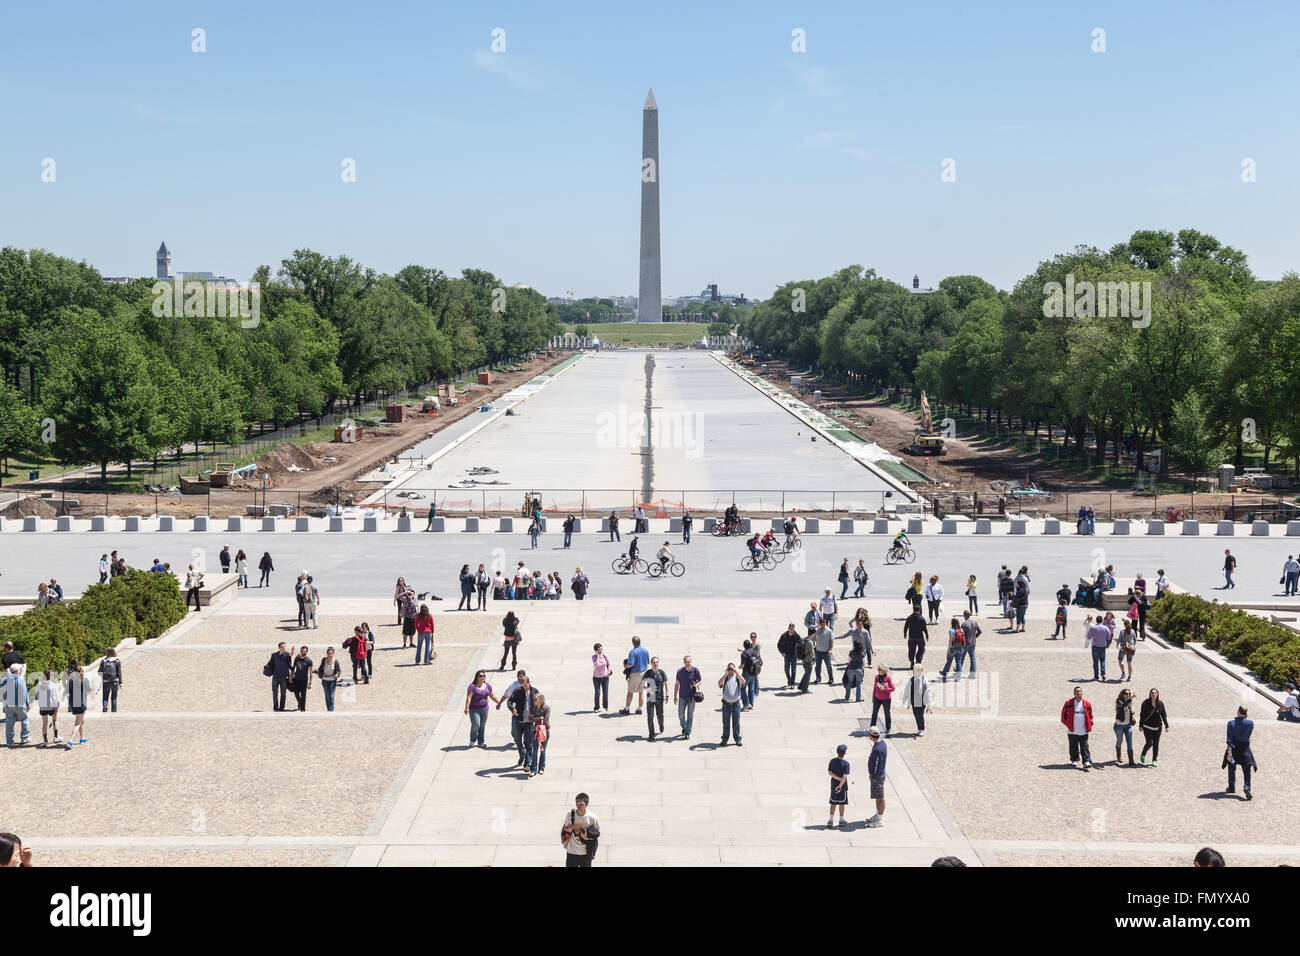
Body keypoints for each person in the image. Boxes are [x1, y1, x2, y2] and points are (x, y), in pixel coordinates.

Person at [561, 793, 599, 868]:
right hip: (571, 851)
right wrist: (568, 829)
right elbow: (565, 828)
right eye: (577, 803)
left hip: (585, 853)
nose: (578, 805)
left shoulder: (592, 818)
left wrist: (587, 837)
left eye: (581, 803)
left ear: (587, 804)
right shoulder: (570, 814)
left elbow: (597, 833)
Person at [1225, 705, 1255, 798]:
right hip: (1245, 748)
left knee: (1231, 767)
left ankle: (1231, 787)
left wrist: (1229, 752)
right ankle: (1247, 786)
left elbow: (1229, 739)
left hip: (1234, 748)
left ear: (1238, 711)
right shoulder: (1250, 723)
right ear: (1246, 713)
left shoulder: (1231, 723)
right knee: (1246, 768)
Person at [464, 670, 500, 748]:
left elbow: (492, 696)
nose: (482, 677)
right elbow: (469, 697)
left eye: (484, 676)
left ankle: (481, 742)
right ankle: (472, 740)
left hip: (485, 709)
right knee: (476, 724)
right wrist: (466, 707)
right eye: (480, 676)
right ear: (477, 677)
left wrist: (498, 702)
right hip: (474, 709)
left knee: (482, 726)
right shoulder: (472, 686)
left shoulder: (487, 686)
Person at [1061, 686, 1094, 771]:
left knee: (1085, 746)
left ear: (1082, 693)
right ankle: (1074, 760)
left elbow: (1090, 715)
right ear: (1074, 693)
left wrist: (1090, 723)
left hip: (1083, 730)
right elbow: (1063, 716)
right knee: (1073, 746)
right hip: (1072, 730)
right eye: (1076, 691)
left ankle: (1086, 761)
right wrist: (1068, 724)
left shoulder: (1087, 703)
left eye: (1080, 691)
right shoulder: (1068, 703)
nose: (1078, 693)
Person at [1, 663, 31, 747]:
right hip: (20, 704)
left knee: (9, 723)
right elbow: (25, 693)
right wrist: (28, 704)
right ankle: (24, 738)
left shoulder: (4, 679)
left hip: (9, 704)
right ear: (17, 670)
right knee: (24, 720)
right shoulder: (21, 680)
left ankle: (9, 741)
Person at [620, 636, 650, 715]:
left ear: (633, 643)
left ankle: (627, 709)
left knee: (630, 691)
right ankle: (639, 709)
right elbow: (647, 662)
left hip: (635, 673)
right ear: (640, 642)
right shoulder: (645, 651)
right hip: (644, 673)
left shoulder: (632, 652)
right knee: (641, 692)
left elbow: (631, 664)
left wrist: (625, 666)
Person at [718, 661, 745, 746]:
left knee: (736, 723)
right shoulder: (725, 678)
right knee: (726, 723)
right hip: (726, 704)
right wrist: (725, 674)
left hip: (736, 704)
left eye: (732, 669)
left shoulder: (737, 678)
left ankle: (737, 739)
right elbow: (719, 683)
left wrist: (737, 673)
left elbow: (744, 681)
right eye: (729, 669)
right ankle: (724, 739)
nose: (730, 670)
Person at [1140, 688, 1169, 764]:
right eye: (1152, 693)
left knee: (1156, 744)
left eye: (1155, 693)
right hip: (1147, 727)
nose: (1154, 694)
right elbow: (1142, 715)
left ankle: (1154, 760)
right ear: (1150, 694)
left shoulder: (1160, 703)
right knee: (1150, 742)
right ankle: (1143, 753)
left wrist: (1166, 725)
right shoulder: (1146, 703)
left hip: (1158, 727)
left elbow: (1163, 715)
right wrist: (1140, 725)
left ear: (1157, 694)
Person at [674, 654, 701, 739]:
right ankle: (684, 727)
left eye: (689, 662)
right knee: (681, 715)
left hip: (692, 697)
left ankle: (687, 732)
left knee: (690, 715)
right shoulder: (680, 671)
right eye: (686, 662)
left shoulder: (695, 671)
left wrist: (696, 685)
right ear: (684, 662)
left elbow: (700, 680)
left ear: (691, 662)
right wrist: (675, 695)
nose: (687, 663)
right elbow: (677, 684)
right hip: (682, 696)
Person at [64, 664, 91, 748]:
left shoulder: (71, 680)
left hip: (73, 705)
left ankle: (82, 738)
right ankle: (70, 741)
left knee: (81, 721)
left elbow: (67, 693)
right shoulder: (85, 679)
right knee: (77, 724)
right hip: (81, 704)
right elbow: (89, 691)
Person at [865, 727, 887, 827]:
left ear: (870, 736)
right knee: (877, 796)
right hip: (877, 776)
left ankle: (880, 819)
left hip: (877, 776)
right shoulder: (881, 743)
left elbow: (878, 764)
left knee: (880, 797)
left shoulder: (878, 749)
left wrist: (874, 776)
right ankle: (878, 815)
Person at [901, 664, 931, 737]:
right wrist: (904, 699)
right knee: (915, 714)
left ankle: (922, 729)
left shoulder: (924, 680)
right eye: (914, 670)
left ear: (920, 671)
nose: (914, 672)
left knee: (919, 715)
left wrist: (929, 704)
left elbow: (928, 692)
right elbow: (907, 689)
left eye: (916, 670)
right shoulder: (911, 679)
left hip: (921, 702)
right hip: (913, 701)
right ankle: (919, 729)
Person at [525, 692, 551, 776]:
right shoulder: (534, 707)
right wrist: (540, 718)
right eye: (534, 699)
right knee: (534, 751)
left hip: (544, 732)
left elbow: (546, 721)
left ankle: (542, 768)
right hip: (536, 731)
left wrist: (536, 719)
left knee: (542, 751)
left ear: (540, 700)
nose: (534, 701)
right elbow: (530, 719)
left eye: (535, 699)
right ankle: (533, 769)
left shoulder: (546, 707)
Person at [642, 656, 667, 740]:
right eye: (654, 662)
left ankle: (661, 725)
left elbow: (666, 684)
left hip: (660, 697)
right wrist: (647, 689)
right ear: (651, 663)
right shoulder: (648, 673)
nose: (655, 664)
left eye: (657, 662)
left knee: (660, 715)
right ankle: (651, 734)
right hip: (650, 698)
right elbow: (642, 684)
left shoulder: (662, 672)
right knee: (650, 716)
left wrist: (667, 695)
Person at [34, 669, 60, 746]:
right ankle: (56, 737)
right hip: (52, 706)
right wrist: (57, 706)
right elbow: (55, 697)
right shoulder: (52, 685)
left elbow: (36, 693)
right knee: (55, 721)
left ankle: (45, 740)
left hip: (43, 706)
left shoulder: (39, 684)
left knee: (44, 723)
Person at [827, 744, 850, 827]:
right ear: (845, 753)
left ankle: (830, 820)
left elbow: (830, 773)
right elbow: (844, 777)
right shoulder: (846, 764)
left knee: (833, 803)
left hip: (833, 785)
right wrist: (840, 785)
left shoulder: (832, 761)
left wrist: (837, 779)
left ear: (837, 752)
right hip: (842, 787)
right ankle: (841, 819)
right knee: (841, 803)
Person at [937, 616, 966, 681]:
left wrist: (948, 649)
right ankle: (959, 676)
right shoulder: (961, 630)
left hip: (953, 648)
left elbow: (950, 640)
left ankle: (944, 673)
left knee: (949, 661)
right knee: (958, 662)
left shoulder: (951, 630)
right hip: (960, 648)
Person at [1087, 614, 1113, 682]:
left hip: (1095, 646)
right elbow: (1109, 637)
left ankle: (1096, 676)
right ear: (1102, 620)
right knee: (1103, 661)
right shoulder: (1106, 628)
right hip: (1102, 647)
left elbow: (1089, 636)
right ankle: (1103, 674)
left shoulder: (1093, 628)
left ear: (1096, 620)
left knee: (1095, 662)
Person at [1114, 687, 1137, 766]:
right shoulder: (1118, 701)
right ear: (1122, 695)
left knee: (1129, 742)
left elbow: (1129, 710)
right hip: (1119, 726)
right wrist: (1131, 699)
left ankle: (1131, 761)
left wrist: (1132, 714)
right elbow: (1123, 706)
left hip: (1128, 726)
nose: (1128, 695)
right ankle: (1119, 756)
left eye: (1129, 694)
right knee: (1119, 741)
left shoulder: (1129, 702)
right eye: (1126, 693)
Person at [740, 633, 762, 709]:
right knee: (751, 689)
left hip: (747, 673)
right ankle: (751, 705)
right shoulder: (754, 651)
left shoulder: (743, 654)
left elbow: (742, 665)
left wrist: (739, 667)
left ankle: (746, 704)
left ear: (744, 646)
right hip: (753, 672)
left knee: (742, 688)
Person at [870, 665, 895, 736]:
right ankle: (872, 727)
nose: (878, 671)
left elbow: (893, 688)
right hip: (877, 698)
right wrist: (873, 696)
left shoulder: (888, 678)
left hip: (886, 699)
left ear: (884, 671)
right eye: (878, 669)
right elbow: (875, 687)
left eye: (879, 670)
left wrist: (885, 689)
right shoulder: (877, 677)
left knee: (887, 713)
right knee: (874, 713)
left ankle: (888, 728)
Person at [268, 641, 292, 711]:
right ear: (279, 648)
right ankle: (275, 708)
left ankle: (282, 708)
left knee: (283, 693)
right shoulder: (274, 655)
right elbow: (270, 664)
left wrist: (290, 675)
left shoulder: (287, 655)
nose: (284, 648)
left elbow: (290, 665)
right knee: (275, 693)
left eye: (285, 647)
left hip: (284, 677)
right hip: (275, 676)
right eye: (282, 647)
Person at [289, 645, 314, 711]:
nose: (303, 652)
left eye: (304, 651)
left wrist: (310, 683)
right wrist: (290, 677)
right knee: (296, 693)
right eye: (302, 651)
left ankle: (303, 709)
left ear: (307, 652)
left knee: (303, 695)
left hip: (304, 680)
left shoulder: (309, 661)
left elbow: (311, 673)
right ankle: (300, 703)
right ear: (300, 651)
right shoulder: (297, 658)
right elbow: (293, 668)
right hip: (296, 679)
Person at [98, 648, 123, 713]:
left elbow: (99, 672)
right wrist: (120, 683)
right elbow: (119, 672)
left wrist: (103, 676)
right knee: (114, 697)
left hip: (106, 681)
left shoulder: (104, 661)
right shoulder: (117, 661)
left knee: (105, 696)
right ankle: (114, 711)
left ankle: (105, 707)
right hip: (115, 681)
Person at [317, 647, 341, 711]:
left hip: (332, 681)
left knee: (331, 695)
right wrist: (318, 673)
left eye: (331, 653)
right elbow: (320, 668)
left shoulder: (336, 661)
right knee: (327, 696)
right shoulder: (324, 660)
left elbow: (339, 671)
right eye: (328, 653)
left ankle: (331, 711)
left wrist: (337, 675)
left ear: (333, 654)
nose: (330, 655)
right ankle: (329, 710)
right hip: (325, 680)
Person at [777, 622, 800, 689]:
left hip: (794, 655)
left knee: (793, 670)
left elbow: (801, 646)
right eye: (790, 629)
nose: (792, 630)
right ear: (788, 629)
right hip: (787, 655)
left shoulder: (797, 636)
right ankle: (789, 680)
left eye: (793, 629)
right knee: (786, 670)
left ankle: (792, 683)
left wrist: (799, 655)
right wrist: (782, 652)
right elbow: (779, 644)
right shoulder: (784, 635)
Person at [842, 638, 866, 702]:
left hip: (851, 669)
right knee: (858, 684)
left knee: (849, 683)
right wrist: (862, 669)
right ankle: (858, 698)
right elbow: (864, 663)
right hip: (859, 669)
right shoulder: (862, 653)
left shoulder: (851, 652)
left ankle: (847, 698)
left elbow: (849, 661)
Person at [813, 618, 835, 685]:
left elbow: (831, 641)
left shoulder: (829, 631)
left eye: (824, 625)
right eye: (821, 625)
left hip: (826, 652)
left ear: (825, 624)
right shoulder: (817, 631)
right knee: (818, 666)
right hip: (818, 652)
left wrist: (830, 649)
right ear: (819, 624)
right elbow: (814, 639)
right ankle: (818, 678)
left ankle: (831, 679)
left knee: (828, 666)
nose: (822, 626)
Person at [591, 643, 612, 711]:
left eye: (601, 649)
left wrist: (608, 671)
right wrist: (597, 657)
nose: (601, 651)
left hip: (605, 677)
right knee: (597, 692)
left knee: (605, 692)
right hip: (596, 677)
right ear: (596, 650)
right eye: (599, 649)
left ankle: (605, 706)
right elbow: (596, 665)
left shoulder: (605, 656)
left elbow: (609, 664)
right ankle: (596, 707)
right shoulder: (594, 657)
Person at [798, 627, 816, 693]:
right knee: (808, 675)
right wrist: (814, 658)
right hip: (808, 660)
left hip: (803, 660)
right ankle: (805, 688)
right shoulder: (810, 642)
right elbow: (812, 653)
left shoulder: (804, 639)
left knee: (806, 673)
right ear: (813, 634)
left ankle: (801, 686)